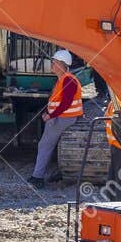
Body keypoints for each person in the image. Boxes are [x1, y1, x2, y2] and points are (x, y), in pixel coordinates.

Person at [31, 50, 85, 188]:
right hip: (63, 117)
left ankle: (37, 178)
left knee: (44, 145)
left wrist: (51, 115)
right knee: (46, 145)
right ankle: (41, 175)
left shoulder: (68, 80)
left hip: (64, 118)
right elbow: (57, 101)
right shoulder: (64, 79)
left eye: (54, 63)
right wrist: (48, 112)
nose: (52, 65)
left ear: (61, 64)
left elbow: (65, 104)